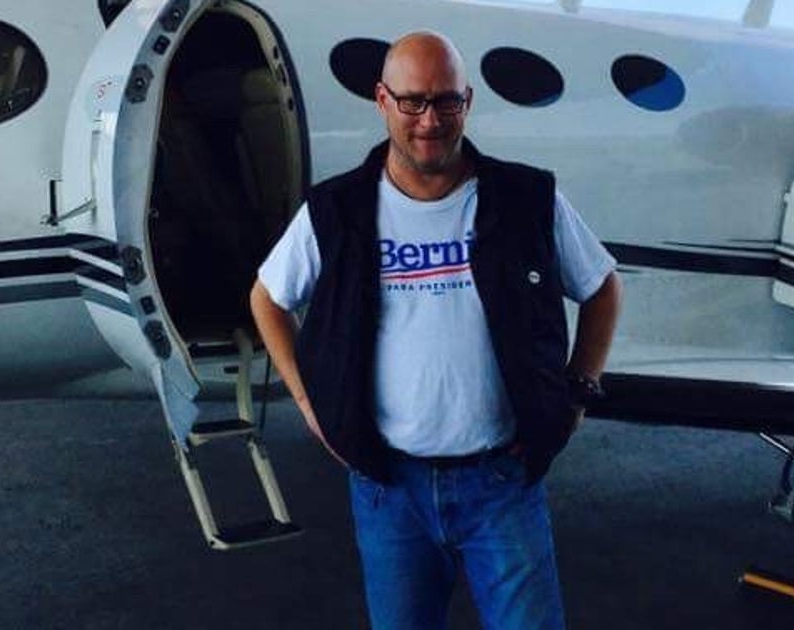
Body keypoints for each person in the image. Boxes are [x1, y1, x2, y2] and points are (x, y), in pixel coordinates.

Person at [250, 31, 621, 630]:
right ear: (382, 100)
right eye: (412, 101)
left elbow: (602, 287)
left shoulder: (526, 198)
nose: (430, 120)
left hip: (501, 485)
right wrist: (310, 404)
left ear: (466, 102)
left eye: (447, 101)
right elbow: (268, 298)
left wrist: (577, 392)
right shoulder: (336, 210)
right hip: (389, 489)